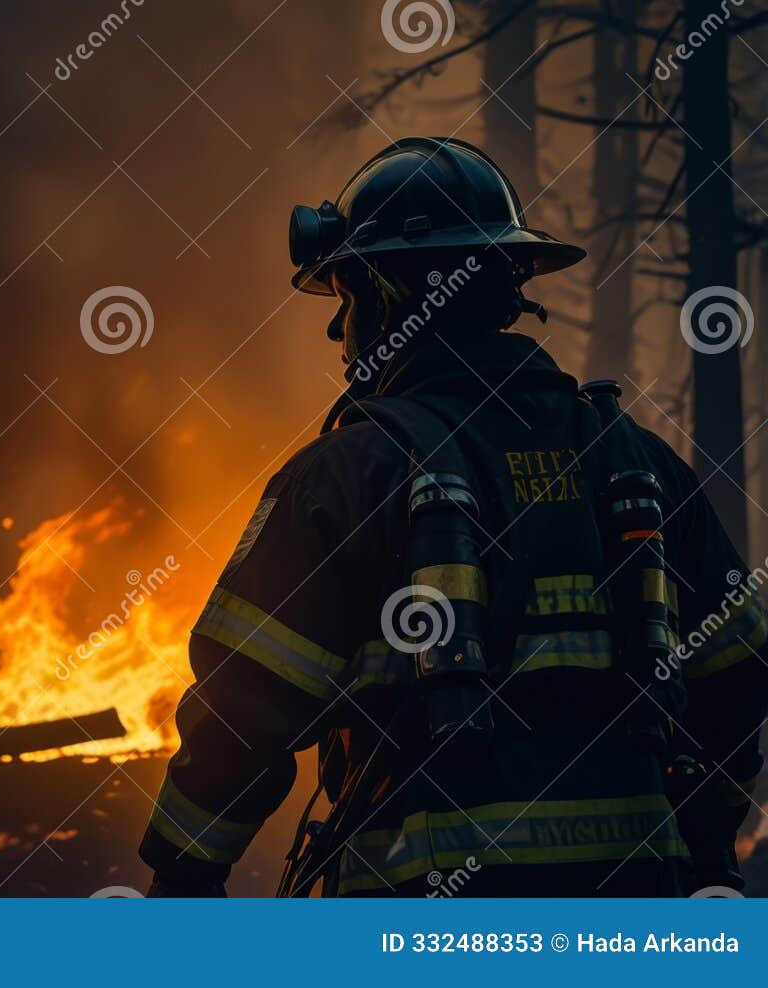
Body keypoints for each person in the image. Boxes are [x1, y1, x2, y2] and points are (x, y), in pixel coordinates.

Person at [139, 137, 768, 897]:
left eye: (346, 298)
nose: (340, 333)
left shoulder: (346, 476)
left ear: (386, 297)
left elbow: (244, 713)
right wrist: (702, 836)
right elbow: (740, 680)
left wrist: (184, 880)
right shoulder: (637, 464)